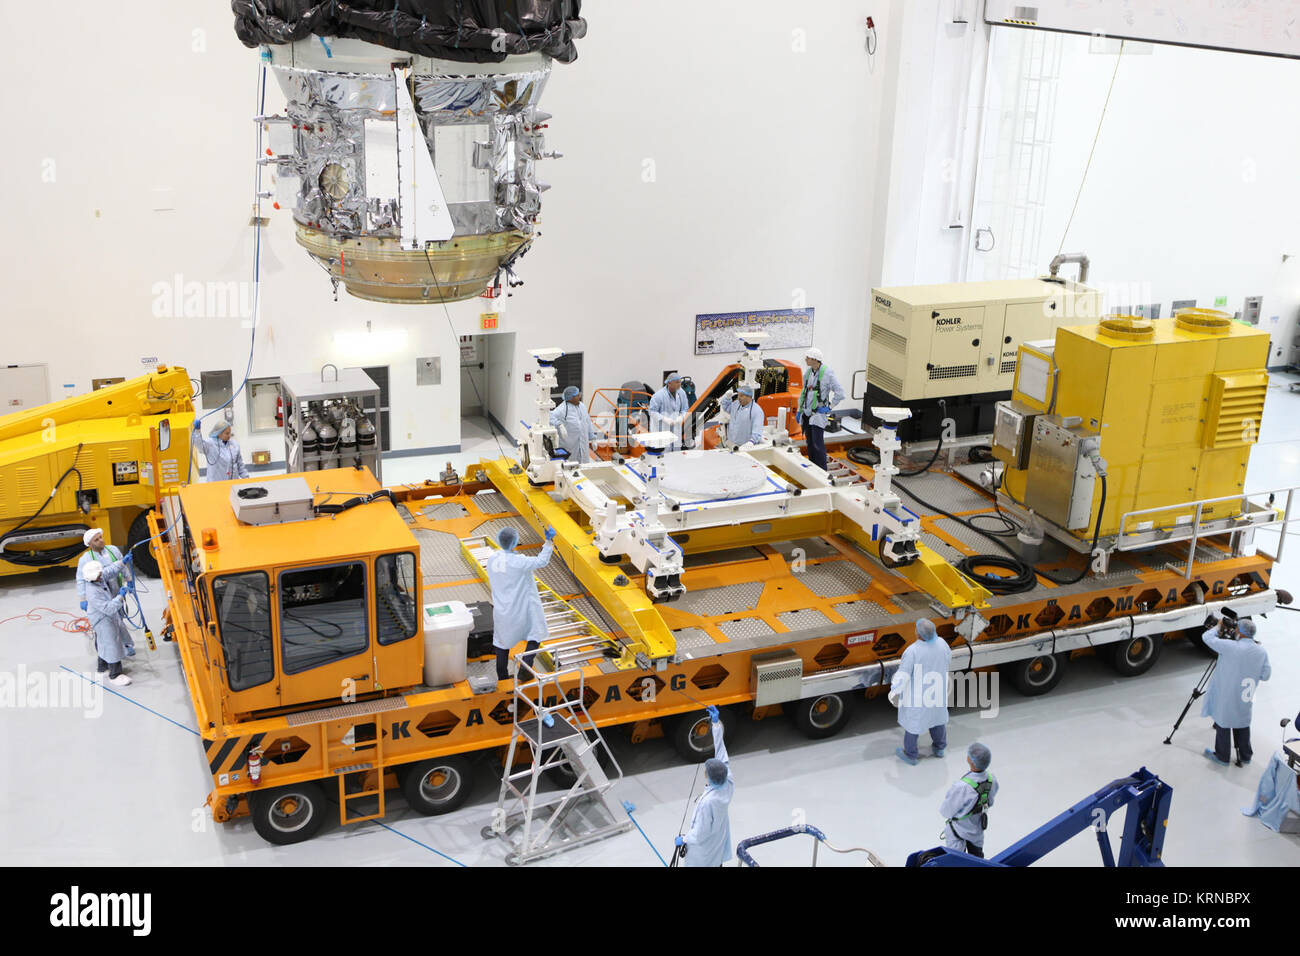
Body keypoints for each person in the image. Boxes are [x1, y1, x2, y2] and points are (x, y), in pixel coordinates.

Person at [486, 524, 557, 682]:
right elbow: (542, 561)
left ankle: (503, 679)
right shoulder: (519, 562)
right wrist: (549, 541)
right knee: (535, 635)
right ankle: (525, 669)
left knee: (502, 645)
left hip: (502, 612)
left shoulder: (492, 559)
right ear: (515, 541)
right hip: (522, 610)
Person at [1200, 617, 1270, 766]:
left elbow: (1206, 637)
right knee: (1242, 721)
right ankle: (1246, 755)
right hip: (1247, 694)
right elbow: (1266, 675)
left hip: (1228, 692)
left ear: (1240, 631)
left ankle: (1222, 756)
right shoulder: (1261, 651)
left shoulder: (1231, 647)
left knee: (1223, 721)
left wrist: (1218, 626)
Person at [675, 705, 734, 867]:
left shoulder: (708, 803)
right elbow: (722, 753)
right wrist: (715, 724)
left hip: (704, 851)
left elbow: (701, 833)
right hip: (718, 842)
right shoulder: (728, 782)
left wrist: (684, 839)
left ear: (709, 775)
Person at [889, 618, 951, 764]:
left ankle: (910, 754)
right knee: (937, 718)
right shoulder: (942, 643)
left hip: (919, 695)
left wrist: (894, 688)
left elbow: (903, 674)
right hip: (937, 690)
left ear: (917, 633)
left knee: (914, 723)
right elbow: (948, 659)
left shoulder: (912, 651)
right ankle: (940, 748)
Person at [76, 529, 134, 657]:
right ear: (90, 544)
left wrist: (129, 579)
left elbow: (121, 567)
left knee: (120, 619)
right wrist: (83, 598)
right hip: (101, 595)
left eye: (101, 537)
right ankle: (106, 653)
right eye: (96, 539)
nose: (101, 540)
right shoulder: (86, 559)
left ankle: (125, 644)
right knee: (106, 624)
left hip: (117, 590)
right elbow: (80, 579)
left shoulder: (113, 550)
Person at [940, 743, 999, 858]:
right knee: (976, 857)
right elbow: (990, 801)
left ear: (971, 761)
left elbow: (946, 811)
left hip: (958, 830)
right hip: (977, 828)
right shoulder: (992, 779)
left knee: (955, 859)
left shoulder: (962, 787)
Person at [83, 561, 133, 686]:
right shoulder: (93, 592)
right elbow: (108, 608)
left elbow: (109, 571)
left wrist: (122, 562)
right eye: (99, 574)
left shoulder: (98, 578)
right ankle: (115, 674)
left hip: (104, 617)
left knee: (102, 642)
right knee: (112, 644)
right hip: (102, 619)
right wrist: (120, 597)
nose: (101, 575)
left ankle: (102, 666)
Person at [796, 347, 845, 472]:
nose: (805, 359)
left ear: (815, 359)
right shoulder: (808, 373)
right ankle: (813, 468)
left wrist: (829, 407)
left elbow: (840, 393)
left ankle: (822, 470)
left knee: (818, 444)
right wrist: (799, 410)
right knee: (810, 443)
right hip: (807, 413)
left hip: (818, 414)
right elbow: (804, 392)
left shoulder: (827, 374)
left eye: (808, 357)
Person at [549, 386, 598, 464]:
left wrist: (593, 438)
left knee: (584, 466)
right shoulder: (563, 409)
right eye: (577, 395)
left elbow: (588, 422)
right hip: (570, 446)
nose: (579, 396)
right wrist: (559, 425)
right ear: (571, 398)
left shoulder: (582, 406)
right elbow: (549, 416)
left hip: (583, 445)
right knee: (571, 467)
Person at [649, 373, 692, 450]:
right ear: (669, 383)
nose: (679, 384)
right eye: (677, 382)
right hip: (662, 429)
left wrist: (681, 417)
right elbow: (652, 412)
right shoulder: (658, 395)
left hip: (676, 428)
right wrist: (664, 419)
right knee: (664, 453)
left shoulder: (681, 393)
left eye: (680, 382)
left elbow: (685, 409)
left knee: (675, 453)